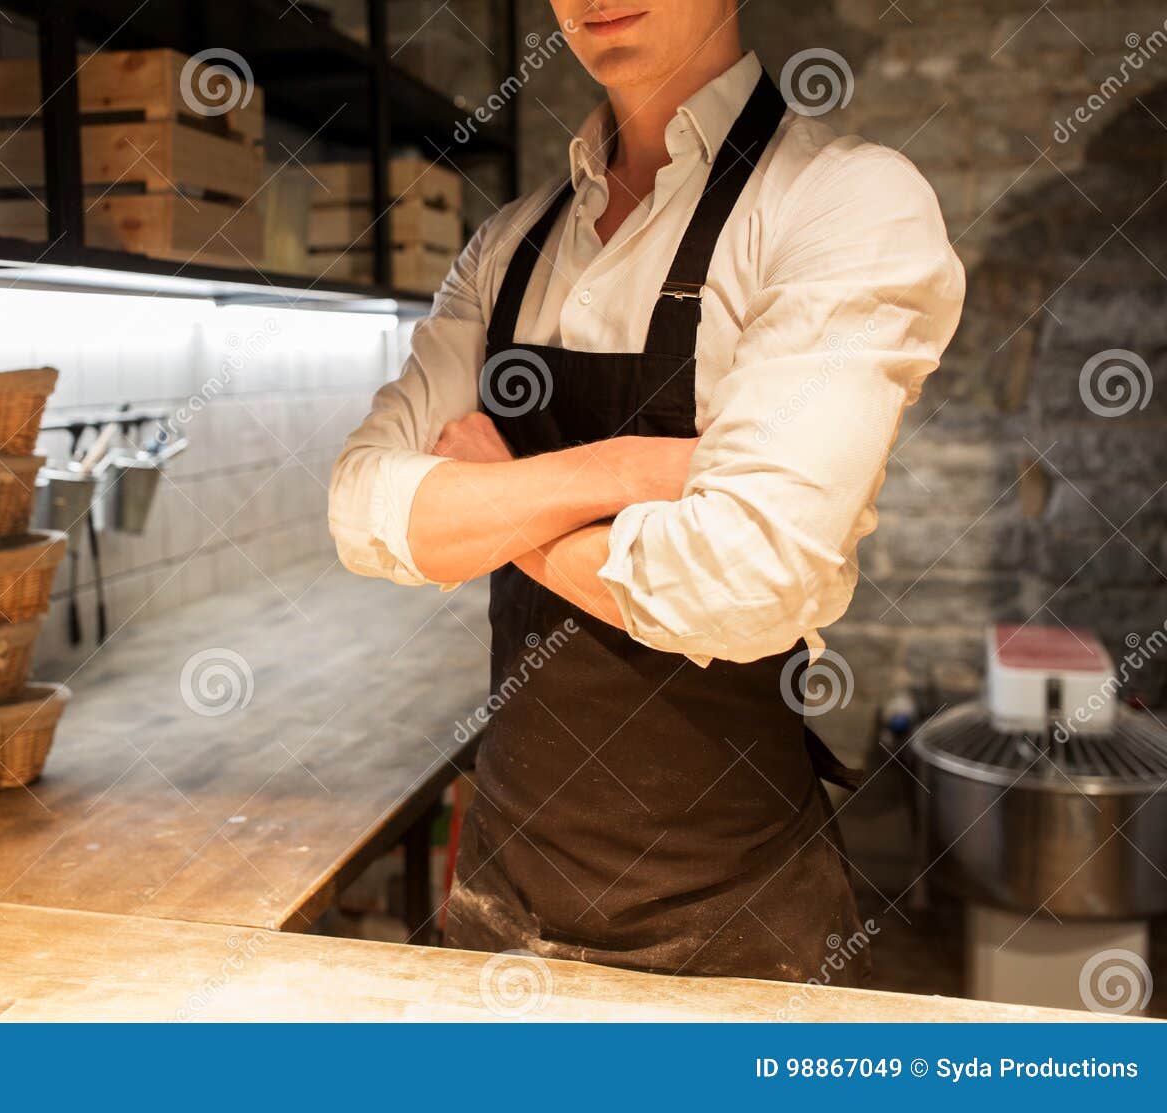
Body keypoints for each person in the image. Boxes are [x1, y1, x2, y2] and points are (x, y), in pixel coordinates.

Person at [327, 0, 964, 983]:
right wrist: (620, 471)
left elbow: (742, 584)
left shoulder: (843, 202)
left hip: (734, 913)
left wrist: (498, 504)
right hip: (503, 885)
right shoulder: (506, 246)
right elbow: (363, 509)